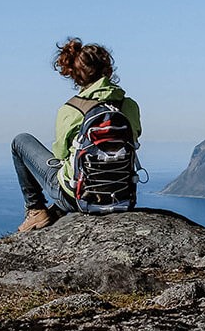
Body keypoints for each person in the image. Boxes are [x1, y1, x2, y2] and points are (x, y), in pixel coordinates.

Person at [11, 38, 142, 232]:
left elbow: (61, 156)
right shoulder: (129, 105)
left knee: (20, 141)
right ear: (108, 69)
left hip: (78, 198)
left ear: (75, 75)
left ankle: (36, 209)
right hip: (121, 195)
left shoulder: (71, 109)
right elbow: (134, 139)